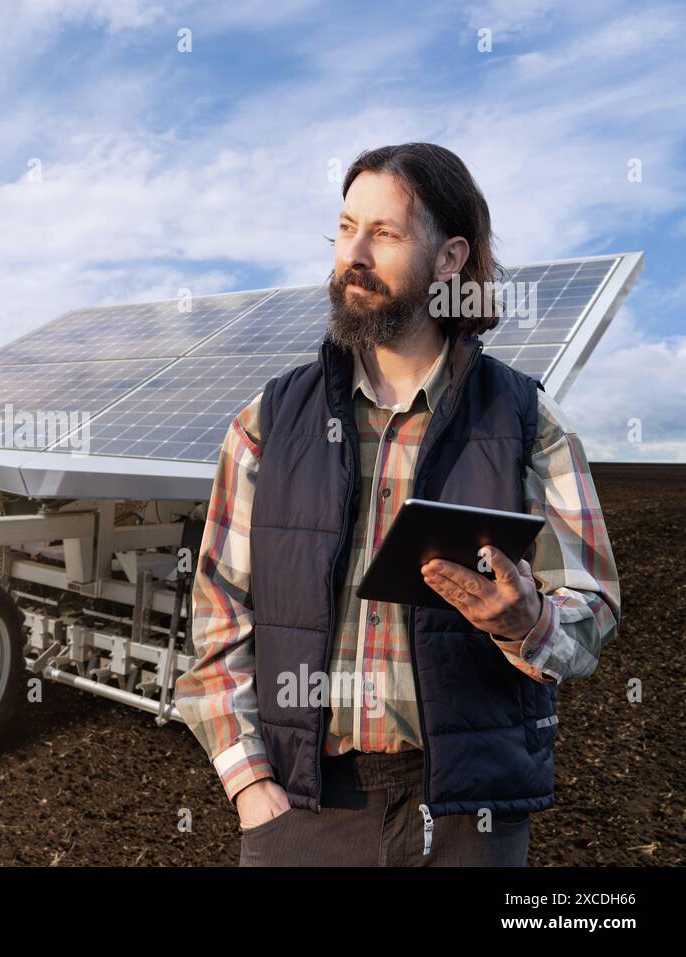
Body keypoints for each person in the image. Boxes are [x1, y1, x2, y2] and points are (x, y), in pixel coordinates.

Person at [172, 142, 621, 867]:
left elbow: (592, 607)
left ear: (449, 260)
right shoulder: (269, 422)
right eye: (345, 229)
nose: (353, 254)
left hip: (467, 820)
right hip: (304, 811)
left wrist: (529, 622)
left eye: (383, 233)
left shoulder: (527, 421)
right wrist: (251, 786)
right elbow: (218, 613)